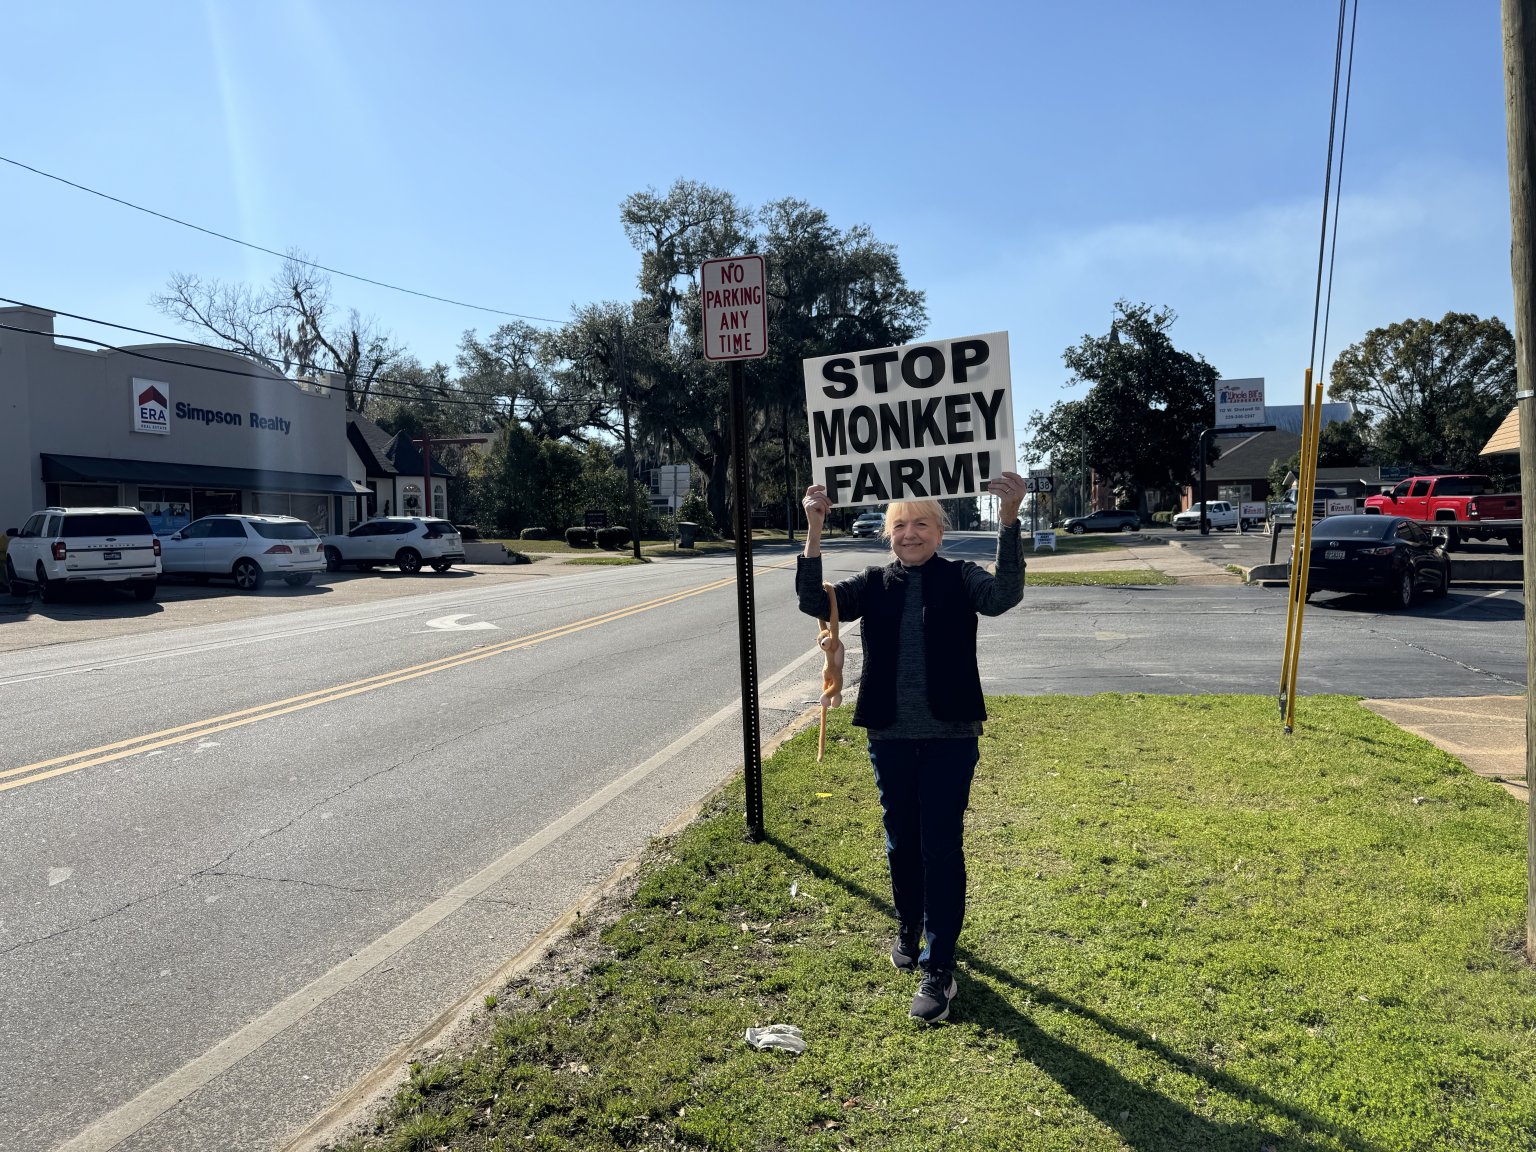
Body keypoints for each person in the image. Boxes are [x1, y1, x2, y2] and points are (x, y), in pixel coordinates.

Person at [797, 475, 1027, 1024]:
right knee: (901, 841)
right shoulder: (874, 583)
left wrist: (1011, 518)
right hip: (890, 735)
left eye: (922, 523)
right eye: (900, 524)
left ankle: (939, 967)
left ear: (941, 532)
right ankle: (909, 925)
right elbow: (814, 601)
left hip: (950, 737)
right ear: (887, 534)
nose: (910, 533)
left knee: (939, 847)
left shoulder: (961, 577)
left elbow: (1004, 596)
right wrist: (814, 526)